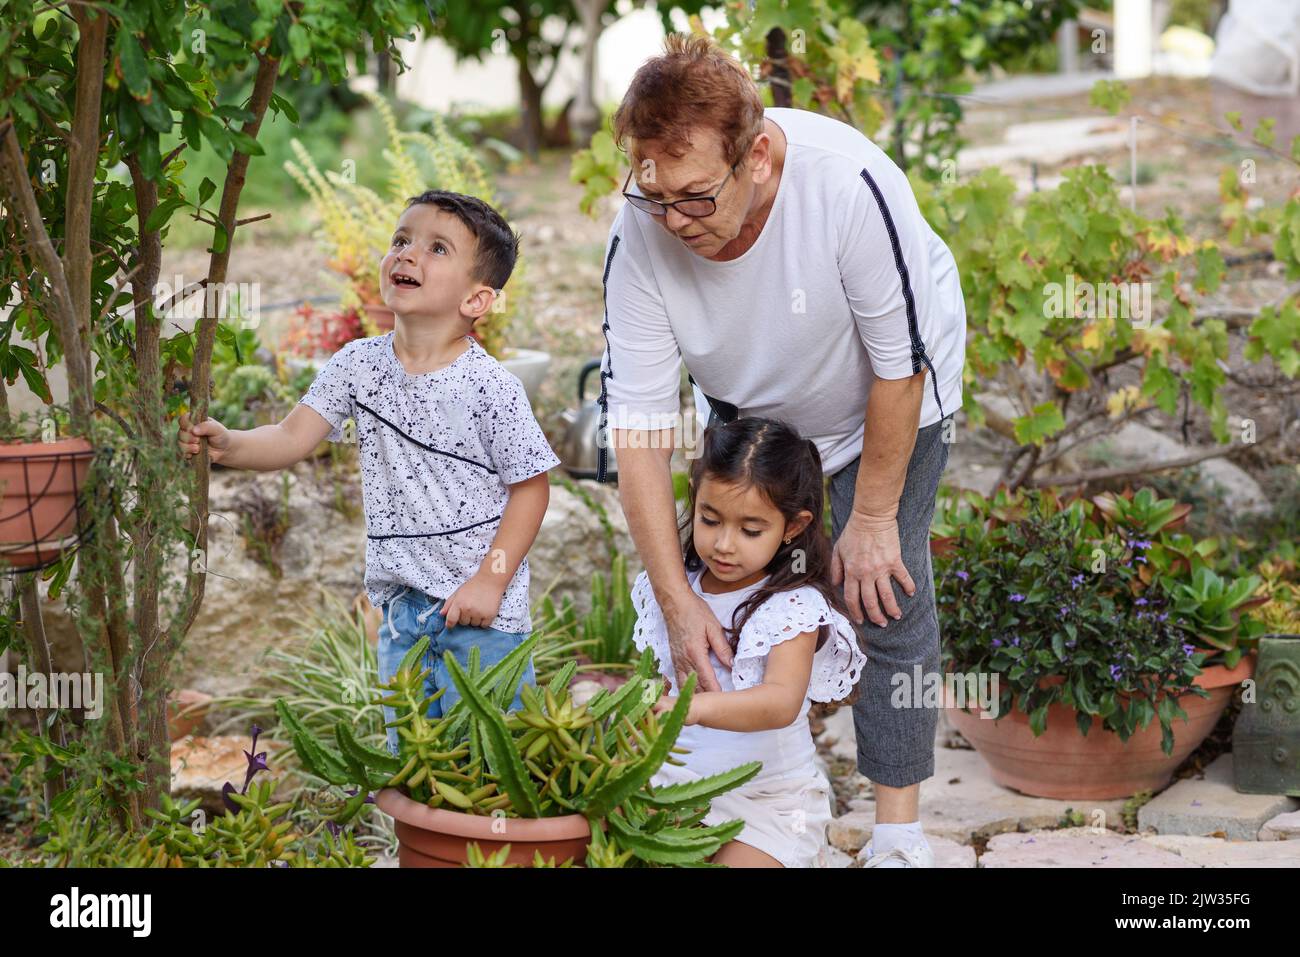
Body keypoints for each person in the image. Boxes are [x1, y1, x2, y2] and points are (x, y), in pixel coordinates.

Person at [599, 33, 966, 866]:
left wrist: (869, 517)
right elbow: (642, 436)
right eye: (654, 194)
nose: (673, 220)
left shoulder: (848, 186)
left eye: (694, 196)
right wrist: (673, 598)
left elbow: (898, 368)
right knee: (719, 586)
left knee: (885, 589)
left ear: (757, 155)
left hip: (891, 389)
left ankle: (899, 832)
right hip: (753, 401)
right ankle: (754, 786)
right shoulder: (644, 232)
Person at [178, 190, 560, 755]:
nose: (407, 255)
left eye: (436, 248)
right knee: (412, 762)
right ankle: (415, 845)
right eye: (401, 240)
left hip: (483, 622)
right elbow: (289, 437)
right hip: (403, 616)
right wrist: (228, 444)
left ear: (478, 299)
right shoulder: (358, 366)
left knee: (487, 766)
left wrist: (491, 581)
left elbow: (531, 489)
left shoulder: (490, 388)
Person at [636, 418, 866, 868]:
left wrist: (694, 708)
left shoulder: (792, 606)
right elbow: (654, 675)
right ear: (694, 499)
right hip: (672, 783)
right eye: (709, 519)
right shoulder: (672, 589)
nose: (724, 544)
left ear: (793, 527)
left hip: (767, 797)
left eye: (750, 530)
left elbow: (779, 702)